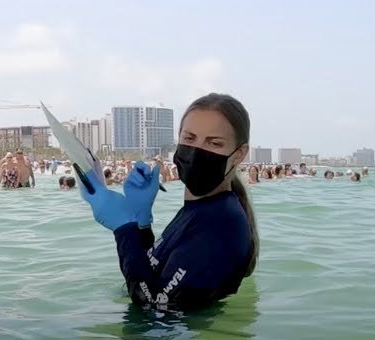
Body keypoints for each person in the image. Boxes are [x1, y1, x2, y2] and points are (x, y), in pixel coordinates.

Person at [77, 93, 258, 312]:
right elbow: (158, 274)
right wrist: (141, 223)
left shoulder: (221, 225)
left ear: (239, 154)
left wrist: (124, 228)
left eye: (214, 143)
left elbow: (153, 306)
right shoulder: (199, 210)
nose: (196, 151)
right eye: (189, 139)